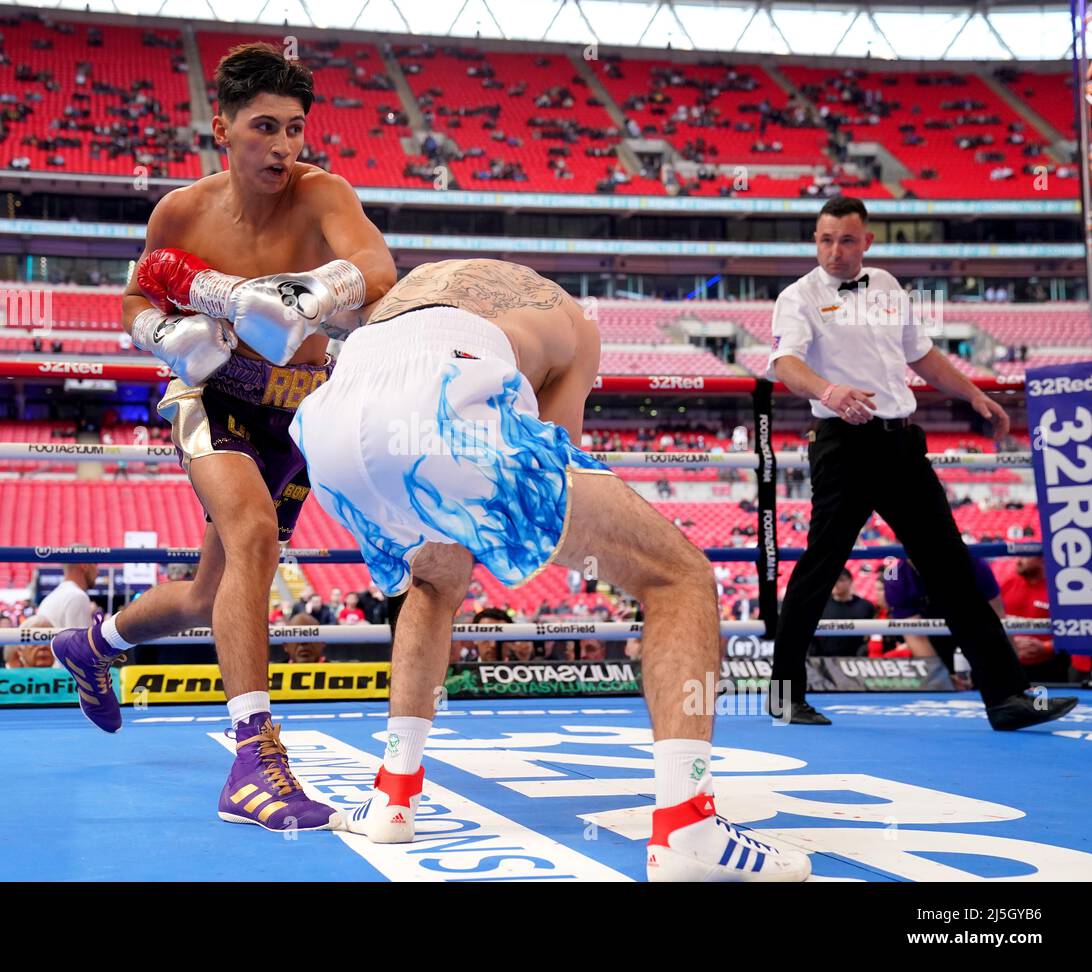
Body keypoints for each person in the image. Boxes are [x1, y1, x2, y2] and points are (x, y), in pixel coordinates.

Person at [289, 258, 810, 881]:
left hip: (331, 415)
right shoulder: (578, 327)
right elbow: (555, 455)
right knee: (679, 576)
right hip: (444, 391)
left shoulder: (425, 279)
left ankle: (392, 796)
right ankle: (687, 827)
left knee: (433, 582)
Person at [50, 42, 394, 834]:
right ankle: (252, 760)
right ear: (222, 129)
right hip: (211, 393)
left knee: (211, 593)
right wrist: (163, 338)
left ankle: (93, 644)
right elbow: (137, 292)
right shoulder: (182, 211)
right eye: (265, 127)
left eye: (296, 129)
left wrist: (318, 292)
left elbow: (376, 262)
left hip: (300, 407)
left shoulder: (322, 194)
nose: (282, 146)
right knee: (251, 539)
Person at [765, 196, 1076, 731]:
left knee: (952, 568)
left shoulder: (886, 285)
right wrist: (829, 390)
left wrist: (974, 396)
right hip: (843, 443)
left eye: (845, 240)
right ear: (814, 241)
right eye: (824, 240)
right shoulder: (798, 296)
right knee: (821, 565)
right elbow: (784, 364)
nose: (834, 251)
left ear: (867, 242)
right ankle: (784, 695)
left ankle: (1006, 698)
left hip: (901, 444)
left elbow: (921, 354)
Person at [1000, 555, 1076, 683]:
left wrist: (1045, 647)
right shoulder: (1007, 582)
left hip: (1049, 667)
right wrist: (1009, 643)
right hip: (1009, 663)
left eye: (1025, 556)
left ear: (1042, 559)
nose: (1018, 560)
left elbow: (1077, 629)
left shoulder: (1062, 589)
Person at [810, 567, 875, 657]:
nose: (836, 583)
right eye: (833, 579)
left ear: (850, 581)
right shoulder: (820, 605)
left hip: (856, 660)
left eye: (841, 580)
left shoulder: (865, 606)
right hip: (824, 660)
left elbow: (871, 636)